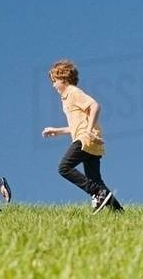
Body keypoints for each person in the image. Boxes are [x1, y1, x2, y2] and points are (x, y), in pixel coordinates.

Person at [42, 59, 122, 213]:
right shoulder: (66, 98)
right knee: (96, 180)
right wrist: (57, 131)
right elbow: (77, 125)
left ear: (63, 79)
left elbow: (94, 106)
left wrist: (89, 130)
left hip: (86, 139)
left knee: (64, 168)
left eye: (54, 81)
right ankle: (119, 213)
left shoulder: (73, 92)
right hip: (89, 139)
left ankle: (97, 193)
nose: (53, 85)